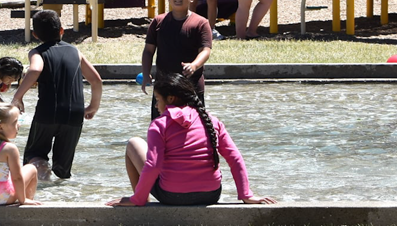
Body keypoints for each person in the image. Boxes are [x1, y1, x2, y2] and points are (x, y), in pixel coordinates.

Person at [105, 73, 275, 207]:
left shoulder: (160, 124)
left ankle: (141, 201)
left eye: (157, 100)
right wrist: (246, 195)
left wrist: (136, 198)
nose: (156, 105)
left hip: (172, 196)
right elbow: (234, 157)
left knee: (134, 143)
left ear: (170, 99)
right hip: (211, 194)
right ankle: (141, 198)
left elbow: (154, 165)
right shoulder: (211, 120)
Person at [11, 9, 104, 180]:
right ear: (62, 30)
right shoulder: (75, 52)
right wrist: (93, 106)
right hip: (74, 114)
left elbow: (35, 70)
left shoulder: (37, 52)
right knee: (62, 168)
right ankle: (61, 192)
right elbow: (96, 81)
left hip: (47, 112)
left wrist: (18, 97)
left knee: (35, 155)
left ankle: (42, 185)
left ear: (35, 34)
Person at [142, 0, 212, 119]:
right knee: (160, 126)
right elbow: (148, 51)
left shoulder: (200, 23)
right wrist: (146, 74)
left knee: (193, 127)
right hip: (163, 88)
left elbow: (205, 50)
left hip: (191, 86)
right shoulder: (158, 21)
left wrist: (194, 65)